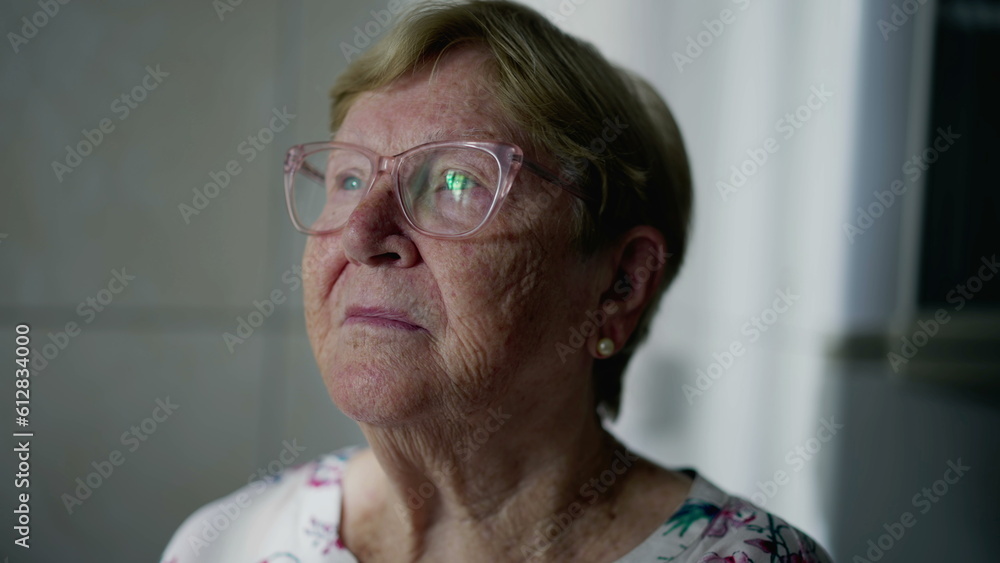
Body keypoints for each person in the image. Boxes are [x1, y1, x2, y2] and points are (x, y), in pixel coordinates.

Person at [161, 1, 833, 561]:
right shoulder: (226, 543)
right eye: (349, 178)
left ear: (620, 284)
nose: (363, 234)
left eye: (457, 182)